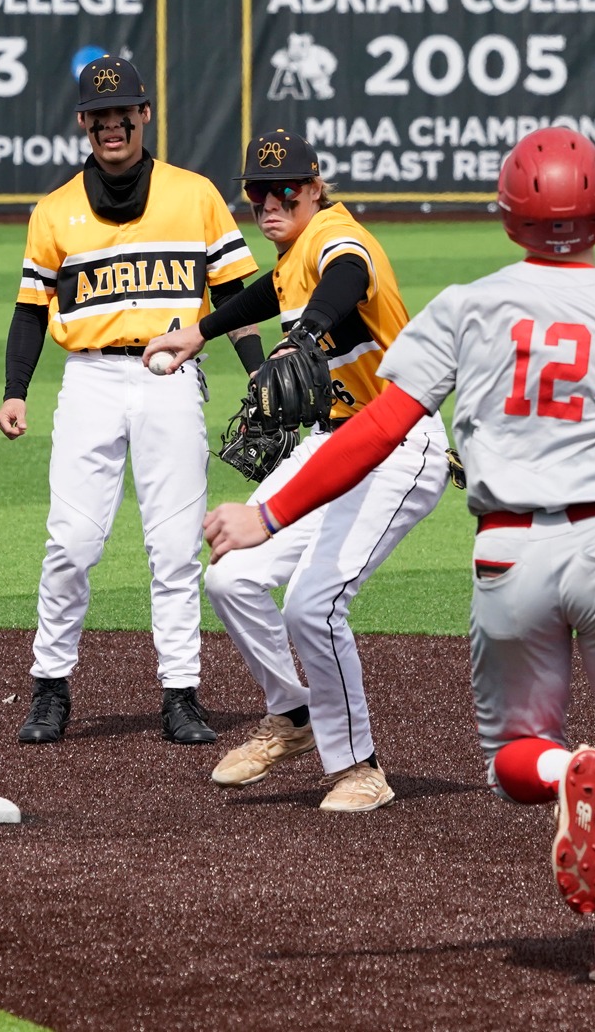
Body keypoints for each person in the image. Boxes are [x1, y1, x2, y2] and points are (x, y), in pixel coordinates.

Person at [200, 128, 595, 981]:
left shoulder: (466, 304)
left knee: (514, 758)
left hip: (509, 553)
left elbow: (380, 429)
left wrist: (269, 515)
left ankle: (562, 768)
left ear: (507, 220)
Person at [143, 130, 449, 812]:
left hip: (399, 443)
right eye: (257, 191)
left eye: (284, 189)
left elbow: (346, 279)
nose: (268, 202)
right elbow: (270, 289)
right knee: (231, 575)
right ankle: (295, 715)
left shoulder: (341, 237)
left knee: (315, 604)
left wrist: (305, 334)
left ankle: (361, 767)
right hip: (334, 442)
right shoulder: (293, 254)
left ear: (315, 188)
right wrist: (200, 330)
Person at [0, 56, 262, 746]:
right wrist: (14, 391)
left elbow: (235, 294)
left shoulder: (195, 195)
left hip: (170, 377)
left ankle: (181, 694)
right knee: (71, 544)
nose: (113, 127)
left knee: (174, 548)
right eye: (100, 117)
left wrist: (258, 372)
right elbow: (30, 310)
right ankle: (50, 689)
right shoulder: (54, 211)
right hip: (88, 380)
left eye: (125, 114)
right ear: (83, 123)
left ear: (144, 115)